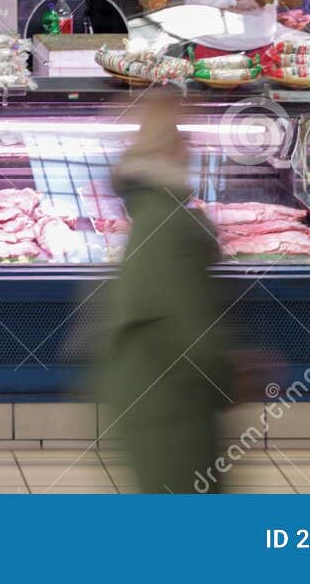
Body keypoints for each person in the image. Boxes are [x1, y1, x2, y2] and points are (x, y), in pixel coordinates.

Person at [98, 89, 234, 493]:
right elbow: (191, 326)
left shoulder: (151, 210)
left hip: (151, 394)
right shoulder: (168, 222)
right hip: (169, 403)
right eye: (184, 138)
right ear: (171, 146)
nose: (191, 148)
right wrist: (229, 375)